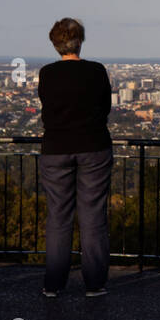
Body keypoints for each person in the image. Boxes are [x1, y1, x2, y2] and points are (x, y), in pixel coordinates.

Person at [37, 18, 113, 298]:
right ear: (79, 41)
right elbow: (105, 108)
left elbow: (48, 108)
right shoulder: (96, 71)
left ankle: (54, 283)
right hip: (94, 145)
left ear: (55, 44)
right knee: (93, 216)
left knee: (58, 217)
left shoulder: (47, 73)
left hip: (56, 148)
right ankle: (94, 283)